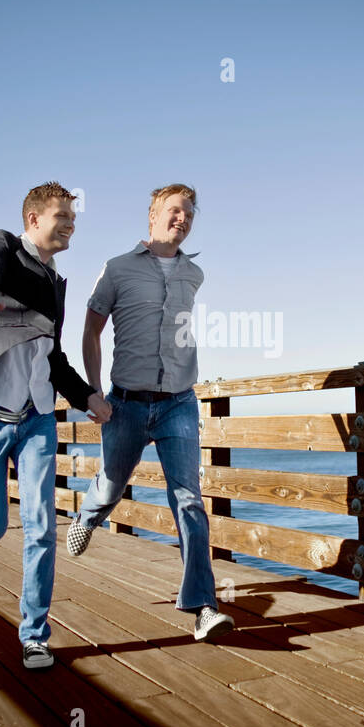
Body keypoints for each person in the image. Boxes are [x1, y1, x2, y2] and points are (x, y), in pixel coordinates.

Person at [0, 181, 111, 671]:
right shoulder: (5, 248)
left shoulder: (56, 282)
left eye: (74, 215)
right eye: (62, 215)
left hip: (36, 416)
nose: (71, 222)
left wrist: (87, 397)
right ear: (34, 219)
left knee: (41, 525)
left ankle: (35, 635)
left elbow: (51, 356)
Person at [67, 183, 234, 643]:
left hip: (179, 402)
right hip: (125, 403)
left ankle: (203, 606)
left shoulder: (193, 273)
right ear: (153, 215)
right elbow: (90, 332)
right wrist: (94, 392)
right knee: (113, 484)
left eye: (190, 214)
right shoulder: (117, 270)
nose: (183, 219)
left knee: (189, 501)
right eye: (175, 211)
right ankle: (88, 517)